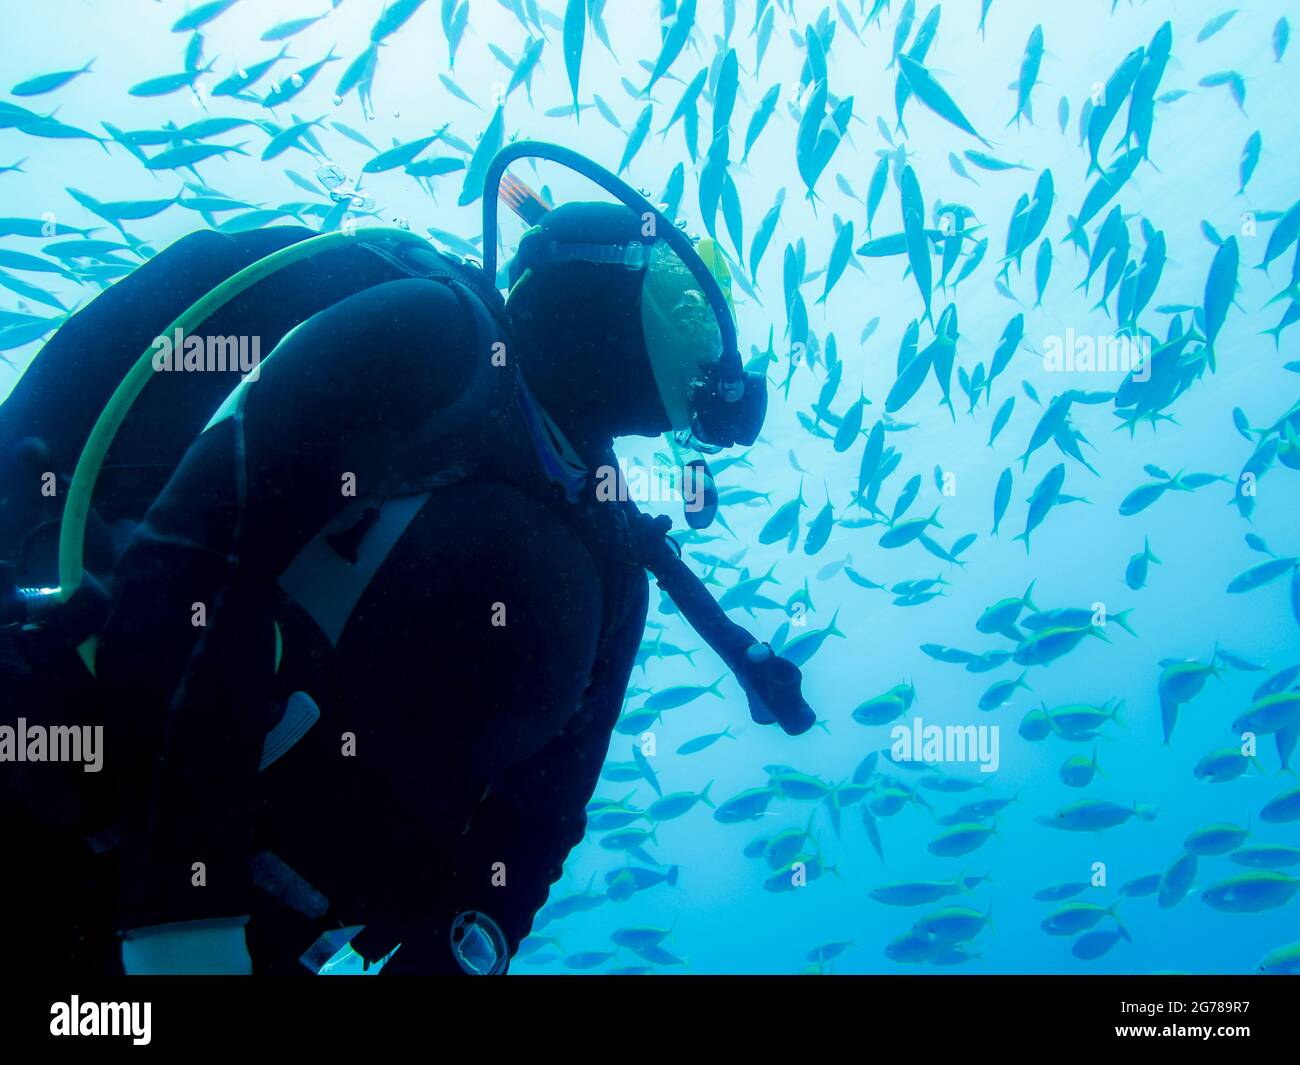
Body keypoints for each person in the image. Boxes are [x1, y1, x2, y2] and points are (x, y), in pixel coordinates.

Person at [0, 144, 803, 976]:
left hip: (271, 943)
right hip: (62, 829)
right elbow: (201, 559)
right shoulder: (436, 335)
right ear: (610, 277)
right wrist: (182, 921)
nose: (712, 363)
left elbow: (534, 832)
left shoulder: (616, 566)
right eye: (695, 313)